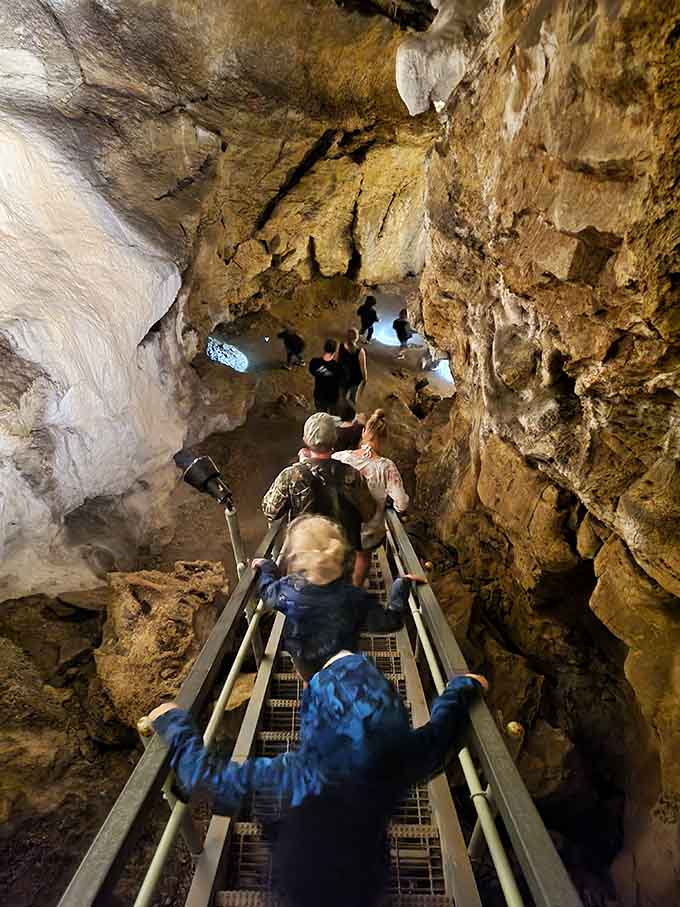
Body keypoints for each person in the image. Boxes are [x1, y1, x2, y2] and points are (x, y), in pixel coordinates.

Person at [148, 662, 488, 907]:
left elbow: (204, 778)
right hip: (364, 882)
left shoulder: (290, 773)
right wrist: (463, 687)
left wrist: (173, 721)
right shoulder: (396, 760)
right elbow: (440, 736)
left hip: (298, 885)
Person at [251, 515, 424, 681]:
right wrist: (401, 585)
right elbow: (391, 622)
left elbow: (267, 591)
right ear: (342, 555)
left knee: (311, 679)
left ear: (297, 559)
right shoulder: (355, 599)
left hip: (304, 658)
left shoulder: (287, 590)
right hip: (340, 660)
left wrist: (266, 567)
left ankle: (312, 690)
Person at [262, 412, 376, 574]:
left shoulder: (291, 476)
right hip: (341, 561)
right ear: (335, 439)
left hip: (304, 561)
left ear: (306, 440)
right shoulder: (352, 474)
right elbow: (369, 513)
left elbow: (269, 511)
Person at [333, 409, 409, 587]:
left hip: (340, 527)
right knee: (363, 555)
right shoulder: (387, 467)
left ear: (363, 433)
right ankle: (356, 587)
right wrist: (395, 507)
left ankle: (336, 587)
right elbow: (401, 503)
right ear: (384, 439)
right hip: (368, 532)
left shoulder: (340, 457)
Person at [308, 339, 342, 414]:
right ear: (335, 351)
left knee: (321, 415)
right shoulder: (338, 367)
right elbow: (342, 382)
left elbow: (312, 372)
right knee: (332, 417)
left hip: (319, 395)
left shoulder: (314, 362)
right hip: (332, 398)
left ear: (324, 348)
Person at [337, 327, 367, 408]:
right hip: (355, 379)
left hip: (343, 377)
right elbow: (363, 368)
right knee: (352, 398)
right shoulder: (360, 351)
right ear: (356, 338)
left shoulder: (340, 346)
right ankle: (351, 413)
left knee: (342, 395)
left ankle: (342, 411)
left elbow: (337, 361)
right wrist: (365, 380)